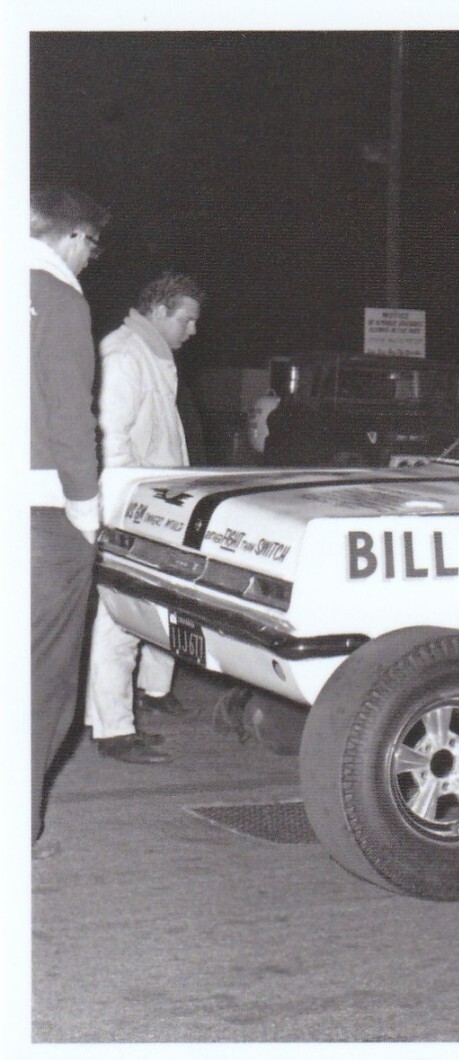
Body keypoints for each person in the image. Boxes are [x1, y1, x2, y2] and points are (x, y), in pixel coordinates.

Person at [84, 272, 207, 764]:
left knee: (149, 610)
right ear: (158, 310)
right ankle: (112, 728)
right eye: (186, 319)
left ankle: (142, 700)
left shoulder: (155, 354)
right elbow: (112, 440)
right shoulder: (124, 353)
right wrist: (123, 510)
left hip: (158, 506)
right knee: (118, 618)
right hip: (133, 507)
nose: (192, 330)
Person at [31, 187, 109, 852]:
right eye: (92, 245)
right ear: (73, 235)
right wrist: (87, 515)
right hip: (38, 518)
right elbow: (69, 417)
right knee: (40, 685)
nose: (90, 259)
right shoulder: (57, 298)